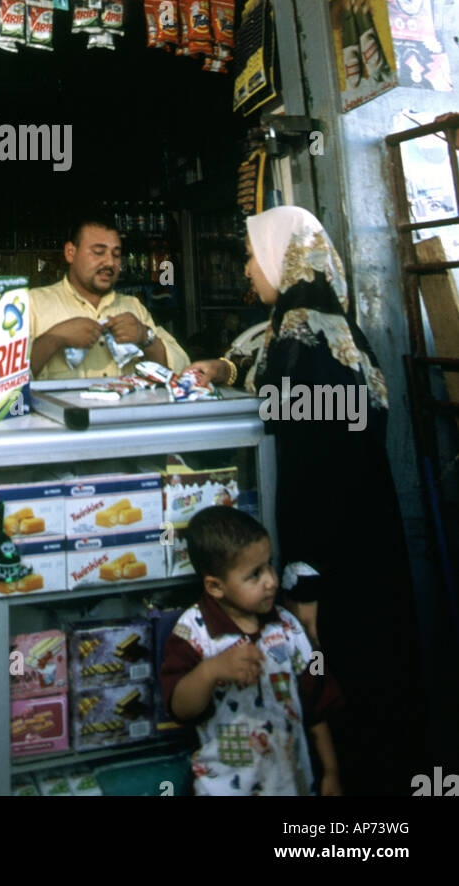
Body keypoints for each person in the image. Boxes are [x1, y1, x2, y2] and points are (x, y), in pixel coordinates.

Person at [189, 204, 424, 795]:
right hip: (367, 545)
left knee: (339, 688)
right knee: (375, 678)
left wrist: (303, 588)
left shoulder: (301, 339)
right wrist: (223, 366)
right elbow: (267, 376)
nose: (247, 269)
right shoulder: (323, 325)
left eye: (251, 254)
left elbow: (316, 474)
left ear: (281, 255)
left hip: (331, 561)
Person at [160, 506, 342, 796]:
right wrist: (210, 670)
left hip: (291, 784)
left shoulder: (287, 627)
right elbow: (180, 708)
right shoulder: (192, 633)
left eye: (269, 565)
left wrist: (331, 772)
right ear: (216, 587)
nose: (271, 580)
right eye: (254, 575)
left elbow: (316, 702)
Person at [29, 214, 190, 379]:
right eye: (99, 252)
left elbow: (182, 371)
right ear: (70, 253)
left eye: (116, 254)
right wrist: (54, 339)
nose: (110, 263)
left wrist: (145, 337)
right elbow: (4, 383)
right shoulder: (33, 304)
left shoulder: (133, 307)